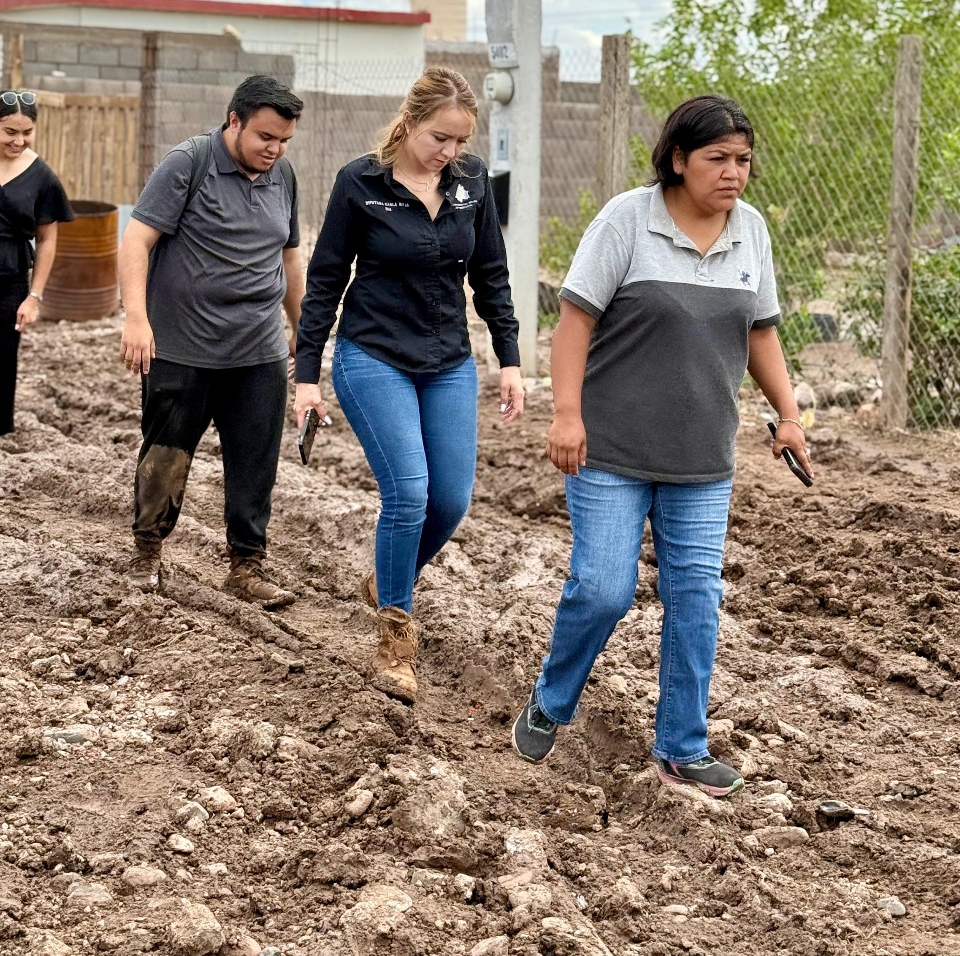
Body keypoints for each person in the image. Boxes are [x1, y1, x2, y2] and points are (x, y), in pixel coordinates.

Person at [512, 94, 814, 797]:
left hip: (702, 460)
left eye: (743, 160)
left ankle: (682, 746)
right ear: (678, 160)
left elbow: (761, 332)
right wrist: (565, 414)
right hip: (610, 449)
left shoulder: (753, 233)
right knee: (605, 588)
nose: (734, 172)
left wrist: (789, 415)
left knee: (696, 599)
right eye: (717, 159)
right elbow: (575, 322)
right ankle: (552, 699)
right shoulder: (628, 220)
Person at [294, 65, 524, 703]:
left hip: (448, 360)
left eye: (460, 141)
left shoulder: (471, 183)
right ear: (411, 122)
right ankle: (395, 637)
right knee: (409, 493)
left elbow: (492, 275)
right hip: (374, 356)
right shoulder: (359, 183)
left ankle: (386, 580)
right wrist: (306, 377)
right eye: (439, 139)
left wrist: (509, 358)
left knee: (450, 502)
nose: (450, 153)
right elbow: (324, 283)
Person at [119, 75, 306, 609]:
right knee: (166, 456)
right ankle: (148, 553)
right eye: (265, 137)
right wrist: (136, 318)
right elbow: (137, 239)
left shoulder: (284, 177)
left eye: (284, 140)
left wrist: (303, 331)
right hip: (182, 348)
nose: (274, 149)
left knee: (255, 460)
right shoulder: (189, 164)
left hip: (258, 351)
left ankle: (246, 566)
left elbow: (289, 257)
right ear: (234, 121)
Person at [0, 90, 74, 435]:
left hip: (10, 279)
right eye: (9, 131)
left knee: (2, 358)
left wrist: (34, 296)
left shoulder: (41, 175)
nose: (18, 140)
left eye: (26, 132)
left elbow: (46, 239)